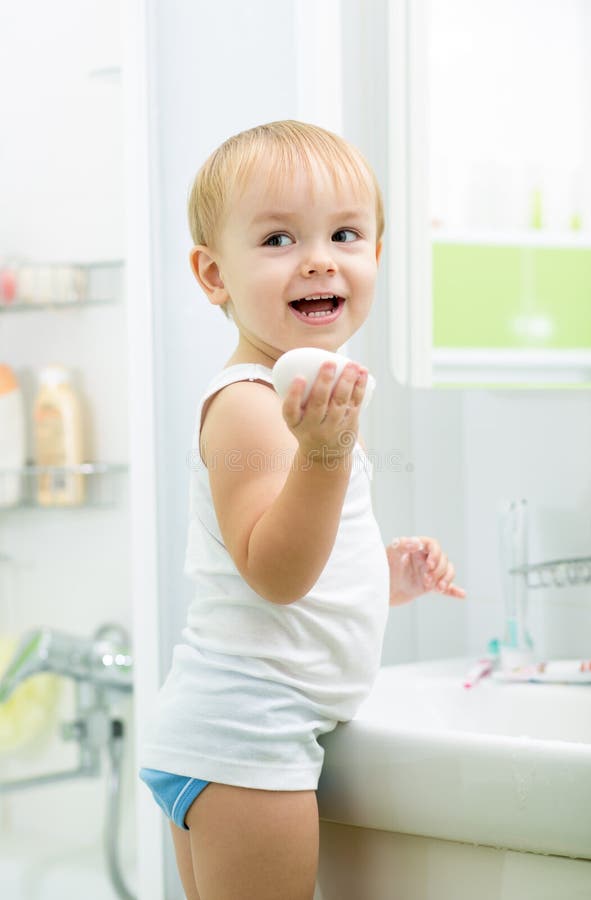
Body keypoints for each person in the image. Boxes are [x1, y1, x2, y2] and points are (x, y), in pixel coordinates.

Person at [139, 120, 466, 900]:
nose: (320, 257)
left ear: (376, 256)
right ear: (214, 275)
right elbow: (275, 573)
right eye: (280, 238)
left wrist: (379, 575)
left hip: (240, 731)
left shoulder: (305, 396)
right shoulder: (251, 405)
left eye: (345, 233)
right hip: (249, 732)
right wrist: (324, 454)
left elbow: (299, 568)